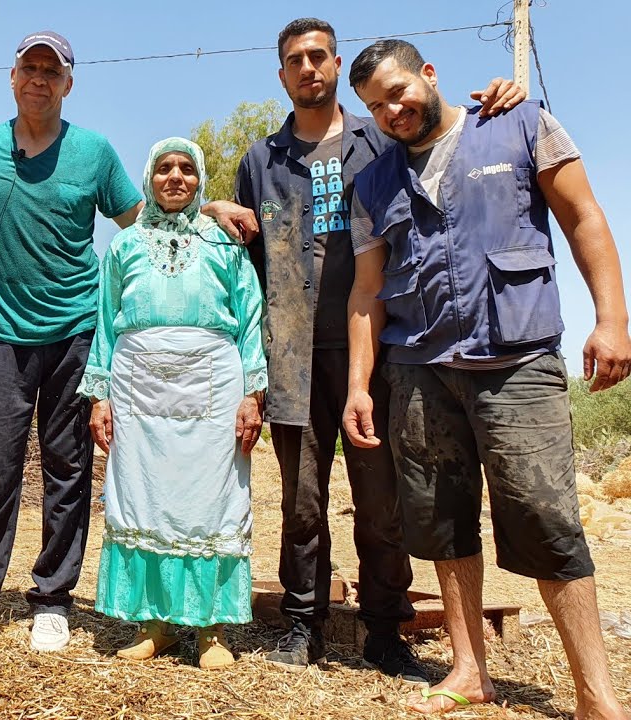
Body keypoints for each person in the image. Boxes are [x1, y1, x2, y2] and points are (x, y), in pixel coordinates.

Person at [0, 30, 255, 658]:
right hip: (3, 334)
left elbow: (146, 219)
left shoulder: (93, 153)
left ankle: (52, 601)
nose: (39, 80)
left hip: (76, 332)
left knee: (67, 471)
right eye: (30, 68)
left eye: (53, 71)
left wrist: (205, 210)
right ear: (12, 77)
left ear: (68, 84)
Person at [344, 39, 630, 718]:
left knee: (547, 519)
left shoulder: (519, 124)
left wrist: (612, 320)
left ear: (429, 74)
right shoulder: (374, 184)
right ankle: (469, 671)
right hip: (419, 369)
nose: (391, 111)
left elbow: (583, 216)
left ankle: (596, 695)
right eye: (375, 106)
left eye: (397, 92)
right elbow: (366, 291)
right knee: (440, 522)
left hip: (516, 363)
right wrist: (359, 384)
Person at [234, 17, 525, 680]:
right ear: (282, 75)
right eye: (295, 60)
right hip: (292, 353)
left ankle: (386, 632)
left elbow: (447, 132)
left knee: (381, 499)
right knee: (302, 500)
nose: (308, 68)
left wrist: (501, 99)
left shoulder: (383, 138)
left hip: (378, 348)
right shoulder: (261, 160)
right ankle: (302, 626)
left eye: (318, 56)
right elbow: (247, 256)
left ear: (337, 66)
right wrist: (215, 209)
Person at [80, 138, 265, 669]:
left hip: (214, 389)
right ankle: (155, 624)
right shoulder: (124, 246)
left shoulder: (225, 242)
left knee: (212, 500)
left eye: (187, 168)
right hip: (137, 391)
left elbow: (251, 316)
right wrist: (100, 397)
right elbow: (105, 322)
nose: (176, 177)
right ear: (149, 178)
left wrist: (252, 394)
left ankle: (211, 629)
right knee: (146, 498)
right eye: (164, 168)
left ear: (200, 179)